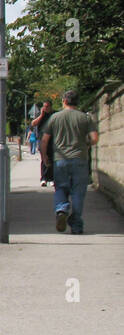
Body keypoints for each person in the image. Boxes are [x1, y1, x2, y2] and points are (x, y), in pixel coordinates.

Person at [40, 89, 98, 235]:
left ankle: (61, 209)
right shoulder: (85, 118)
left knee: (61, 188)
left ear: (64, 101)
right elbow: (95, 138)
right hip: (80, 159)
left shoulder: (55, 117)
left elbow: (45, 140)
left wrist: (45, 157)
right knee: (78, 192)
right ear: (76, 102)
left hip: (60, 160)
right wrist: (87, 143)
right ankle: (77, 226)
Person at [30, 100, 54, 186]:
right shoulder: (40, 115)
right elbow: (33, 123)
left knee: (51, 158)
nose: (45, 108)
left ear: (51, 107)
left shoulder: (54, 114)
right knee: (44, 158)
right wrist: (41, 115)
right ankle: (43, 178)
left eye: (47, 106)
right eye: (44, 106)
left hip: (52, 140)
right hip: (42, 140)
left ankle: (51, 178)